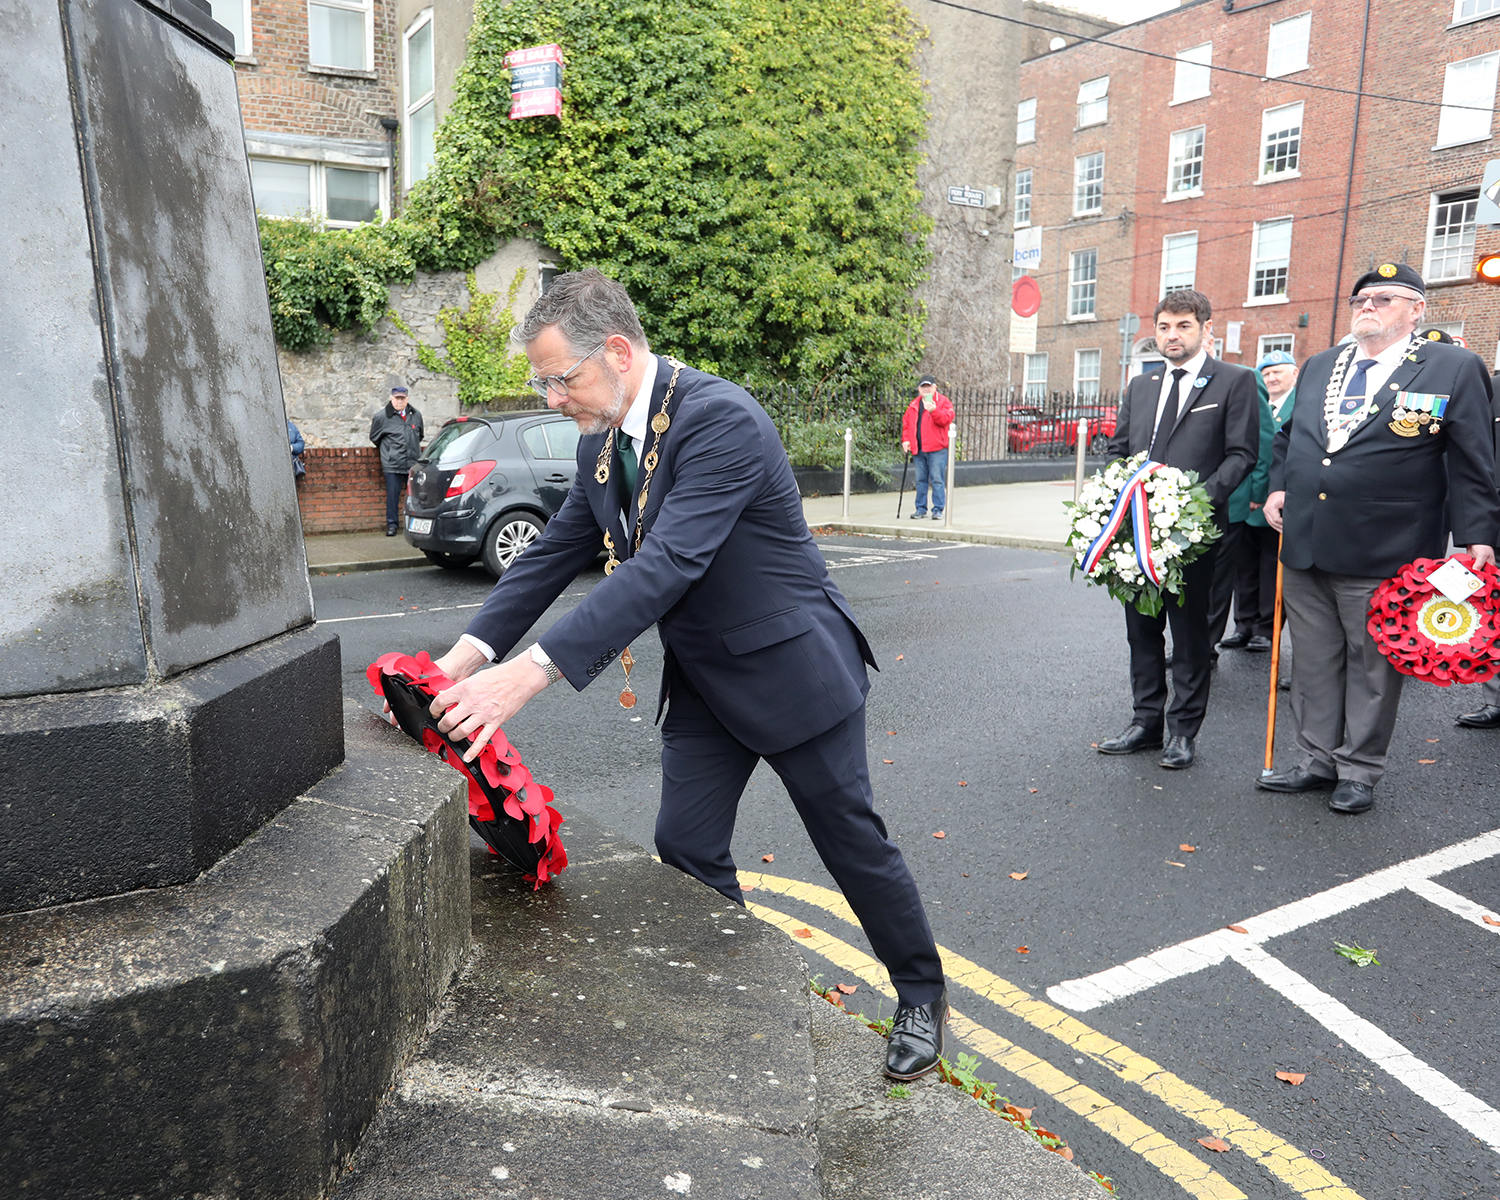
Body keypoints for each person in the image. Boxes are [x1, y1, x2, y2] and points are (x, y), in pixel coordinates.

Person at [409, 269, 948, 1080]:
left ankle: (920, 993)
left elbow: (665, 567)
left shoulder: (721, 419)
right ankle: (749, 987)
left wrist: (528, 676)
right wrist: (460, 660)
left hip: (792, 668)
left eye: (561, 379)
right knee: (685, 844)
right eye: (543, 382)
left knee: (850, 842)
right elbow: (554, 555)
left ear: (617, 352)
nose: (552, 398)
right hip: (703, 677)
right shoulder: (600, 439)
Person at [1258, 264, 1500, 813]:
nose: (1367, 306)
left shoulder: (1452, 368)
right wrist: (1277, 489)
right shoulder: (1322, 365)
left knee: (1371, 663)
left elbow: (1471, 459)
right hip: (1306, 540)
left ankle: (1359, 769)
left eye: (1384, 299)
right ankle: (1316, 761)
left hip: (1386, 544)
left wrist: (1477, 533)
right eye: (1361, 299)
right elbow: (1290, 438)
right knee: (1314, 661)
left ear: (1416, 310)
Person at [1096, 289, 1258, 770]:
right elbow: (1118, 449)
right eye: (1164, 327)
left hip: (1197, 535)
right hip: (1136, 536)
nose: (1172, 335)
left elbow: (1241, 455)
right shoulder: (1141, 385)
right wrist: (1115, 496)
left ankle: (1182, 731)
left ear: (1206, 329)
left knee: (1189, 639)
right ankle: (1145, 722)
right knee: (1141, 632)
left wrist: (1189, 506)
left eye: (1183, 326)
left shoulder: (1234, 382)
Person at [1207, 371, 1275, 655]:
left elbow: (1261, 439)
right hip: (1194, 497)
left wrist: (1256, 493)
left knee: (1219, 580)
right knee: (1217, 577)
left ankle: (1203, 646)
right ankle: (1226, 631)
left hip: (1234, 496)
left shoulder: (1241, 378)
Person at [1456, 357, 1500, 729]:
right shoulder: (1495, 391)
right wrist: (1477, 531)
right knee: (1493, 615)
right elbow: (1477, 460)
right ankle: (1496, 701)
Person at [369, 384, 424, 536]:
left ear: (407, 399)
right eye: (397, 398)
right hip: (392, 464)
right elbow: (375, 437)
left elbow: (420, 435)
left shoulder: (416, 415)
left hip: (412, 463)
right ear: (391, 399)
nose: (399, 401)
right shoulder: (382, 417)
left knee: (415, 496)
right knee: (392, 497)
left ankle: (414, 524)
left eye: (402, 398)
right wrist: (390, 452)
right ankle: (392, 525)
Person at [900, 375, 955, 521]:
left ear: (935, 387)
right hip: (919, 448)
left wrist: (934, 411)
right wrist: (906, 440)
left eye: (929, 386)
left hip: (937, 448)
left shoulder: (943, 402)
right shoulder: (913, 405)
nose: (926, 389)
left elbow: (947, 419)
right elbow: (907, 425)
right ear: (919, 389)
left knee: (937, 479)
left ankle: (937, 509)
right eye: (923, 387)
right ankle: (920, 509)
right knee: (920, 480)